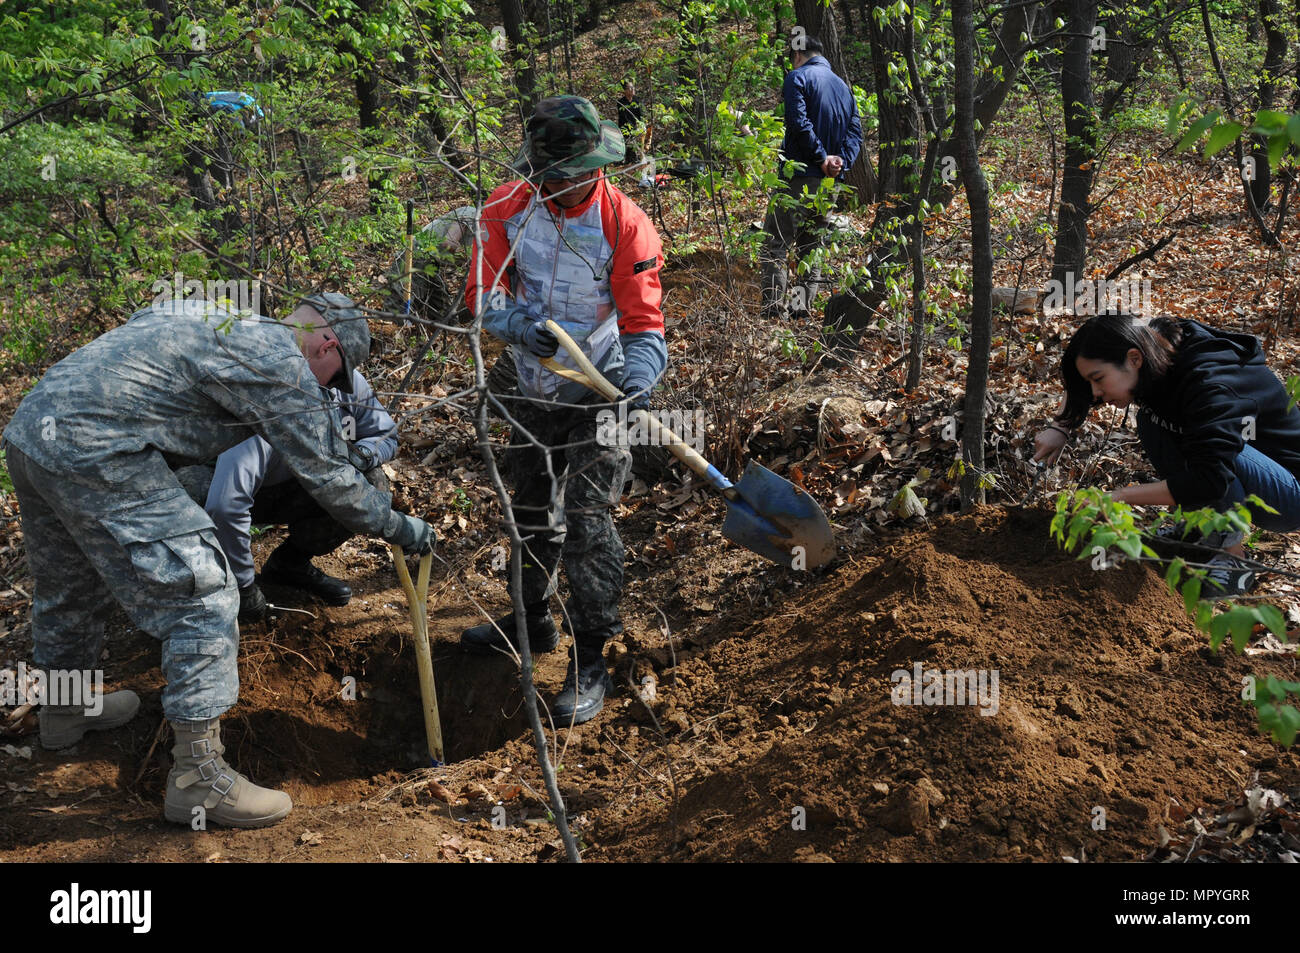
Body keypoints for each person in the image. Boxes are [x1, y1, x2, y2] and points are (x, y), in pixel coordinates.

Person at [1, 293, 435, 828]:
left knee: (71, 585)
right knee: (204, 590)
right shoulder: (282, 364)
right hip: (97, 448)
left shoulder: (219, 314)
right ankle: (196, 782)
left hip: (32, 433)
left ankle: (65, 710)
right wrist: (398, 526)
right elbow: (328, 477)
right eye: (335, 375)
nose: (328, 388)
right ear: (327, 345)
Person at [463, 94, 667, 724]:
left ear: (596, 165)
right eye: (550, 176)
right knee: (528, 509)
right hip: (531, 380)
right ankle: (530, 619)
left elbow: (643, 321)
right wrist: (517, 325)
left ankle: (592, 652)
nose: (561, 187)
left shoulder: (625, 224)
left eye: (573, 175)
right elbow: (481, 292)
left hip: (598, 385)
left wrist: (641, 373)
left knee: (585, 517)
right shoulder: (506, 208)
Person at [1033, 312, 1300, 596]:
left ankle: (1233, 561)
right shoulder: (1152, 341)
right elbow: (1092, 363)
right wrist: (1061, 427)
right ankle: (1202, 529)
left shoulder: (1209, 380)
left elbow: (1210, 478)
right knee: (1154, 423)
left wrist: (1119, 496)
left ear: (1134, 359)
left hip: (1289, 493)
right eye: (1090, 383)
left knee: (1213, 451)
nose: (1094, 393)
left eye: (1098, 379)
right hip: (1248, 469)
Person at [205, 363, 399, 622]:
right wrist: (244, 587)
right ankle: (209, 581)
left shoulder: (347, 381)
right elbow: (225, 504)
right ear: (324, 351)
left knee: (371, 481)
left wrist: (360, 456)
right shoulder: (271, 397)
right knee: (196, 495)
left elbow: (384, 434)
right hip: (222, 489)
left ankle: (289, 564)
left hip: (297, 488)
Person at [759, 35, 863, 322]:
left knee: (776, 244)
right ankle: (799, 312)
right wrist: (839, 162)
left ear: (798, 55)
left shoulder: (797, 77)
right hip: (829, 182)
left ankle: (771, 315)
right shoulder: (844, 87)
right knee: (811, 246)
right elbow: (856, 133)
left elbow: (798, 121)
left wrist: (820, 157)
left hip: (799, 176)